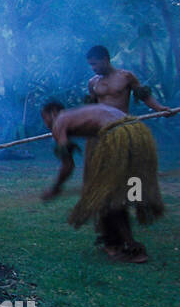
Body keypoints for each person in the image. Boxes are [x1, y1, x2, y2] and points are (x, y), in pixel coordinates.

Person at [40, 99, 164, 263]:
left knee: (106, 196)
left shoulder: (60, 121)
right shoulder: (79, 114)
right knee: (123, 191)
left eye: (44, 118)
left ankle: (130, 246)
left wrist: (55, 188)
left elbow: (68, 166)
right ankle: (111, 238)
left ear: (52, 113)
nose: (46, 124)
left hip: (118, 135)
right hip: (139, 132)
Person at [84, 45, 169, 114]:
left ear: (105, 59)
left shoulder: (126, 76)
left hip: (122, 124)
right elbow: (92, 108)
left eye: (94, 64)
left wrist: (159, 108)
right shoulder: (92, 82)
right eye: (91, 65)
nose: (93, 68)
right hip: (103, 127)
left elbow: (144, 96)